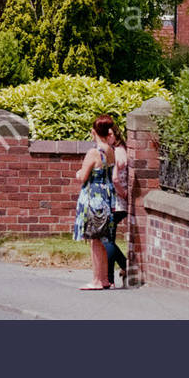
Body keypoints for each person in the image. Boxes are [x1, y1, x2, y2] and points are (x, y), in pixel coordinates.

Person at [72, 115, 118, 290]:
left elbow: (83, 176)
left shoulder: (93, 152)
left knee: (94, 241)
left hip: (93, 199)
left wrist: (78, 174)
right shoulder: (110, 150)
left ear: (93, 132)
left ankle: (97, 280)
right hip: (107, 197)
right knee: (103, 240)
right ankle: (105, 278)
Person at [103, 122, 130, 288]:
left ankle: (113, 277)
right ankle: (119, 272)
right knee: (108, 239)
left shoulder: (118, 151)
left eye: (111, 135)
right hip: (116, 202)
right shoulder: (118, 150)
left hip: (117, 203)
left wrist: (122, 192)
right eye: (107, 136)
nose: (109, 138)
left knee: (108, 239)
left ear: (116, 134)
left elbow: (115, 178)